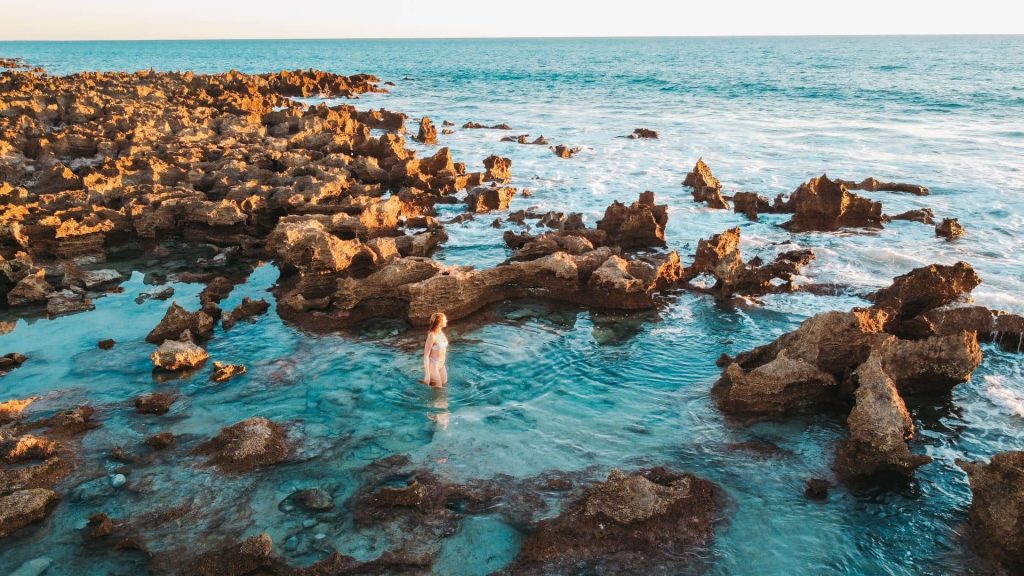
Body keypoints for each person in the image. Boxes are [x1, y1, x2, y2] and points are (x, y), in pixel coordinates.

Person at [422, 312, 449, 387]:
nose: (446, 320)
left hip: (442, 365)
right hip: (434, 367)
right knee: (439, 394)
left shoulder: (441, 333)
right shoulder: (432, 336)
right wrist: (427, 375)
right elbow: (426, 356)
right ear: (440, 322)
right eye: (445, 319)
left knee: (445, 386)